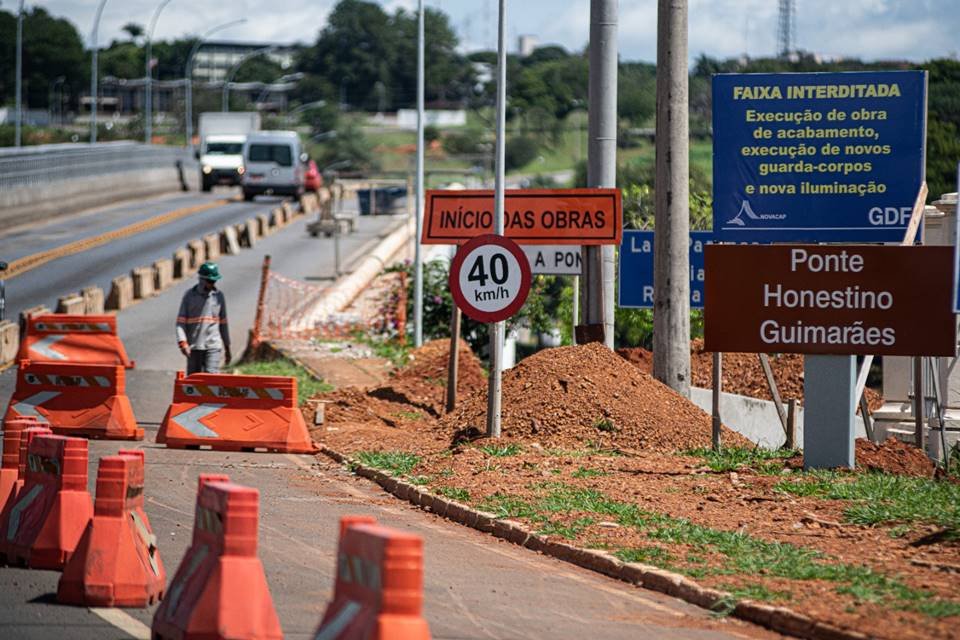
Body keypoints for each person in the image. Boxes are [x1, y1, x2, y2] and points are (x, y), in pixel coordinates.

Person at [176, 262, 231, 374]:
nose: (212, 284)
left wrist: (227, 348)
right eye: (210, 281)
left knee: (211, 376)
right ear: (201, 279)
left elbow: (223, 323)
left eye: (214, 281)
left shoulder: (218, 296)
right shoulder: (189, 296)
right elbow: (180, 323)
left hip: (213, 345)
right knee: (194, 378)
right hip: (194, 346)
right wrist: (183, 343)